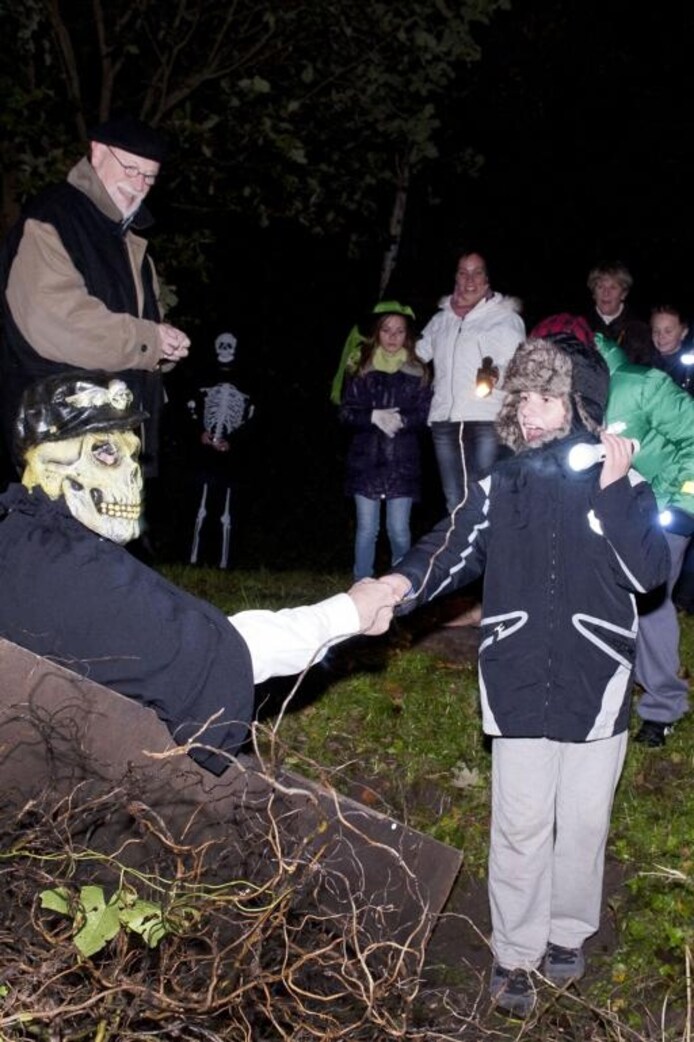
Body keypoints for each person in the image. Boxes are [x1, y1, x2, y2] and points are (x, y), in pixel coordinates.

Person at [377, 334, 670, 1016]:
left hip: (595, 682)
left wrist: (616, 491)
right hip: (515, 679)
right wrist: (398, 583)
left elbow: (652, 575)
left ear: (579, 403)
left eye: (547, 396)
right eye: (524, 398)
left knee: (584, 821)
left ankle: (568, 932)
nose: (532, 412)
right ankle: (515, 951)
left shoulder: (622, 483)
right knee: (520, 823)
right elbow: (447, 547)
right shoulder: (500, 484)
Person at [0, 371, 399, 776]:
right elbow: (212, 652)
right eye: (105, 453)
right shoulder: (73, 573)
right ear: (49, 466)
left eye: (132, 454)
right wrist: (347, 613)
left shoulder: (22, 538)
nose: (133, 474)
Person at [532, 314, 694, 747]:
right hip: (601, 509)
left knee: (649, 600)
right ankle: (596, 689)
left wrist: (674, 505)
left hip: (664, 508)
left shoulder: (641, 384)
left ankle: (663, 705)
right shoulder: (557, 394)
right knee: (592, 595)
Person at [0, 114, 191, 481]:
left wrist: (163, 342)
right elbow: (56, 322)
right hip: (59, 443)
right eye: (131, 169)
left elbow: (139, 330)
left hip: (117, 447)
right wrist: (148, 340)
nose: (139, 185)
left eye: (149, 177)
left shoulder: (130, 241)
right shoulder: (55, 218)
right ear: (98, 153)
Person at [415, 251, 525, 514]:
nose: (469, 279)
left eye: (476, 272)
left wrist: (495, 374)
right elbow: (415, 356)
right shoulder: (442, 319)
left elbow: (519, 365)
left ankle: (492, 554)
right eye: (463, 272)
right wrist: (374, 354)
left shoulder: (504, 317)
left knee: (485, 495)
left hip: (485, 418)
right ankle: (463, 554)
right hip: (444, 419)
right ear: (456, 277)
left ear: (487, 278)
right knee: (454, 499)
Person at [339, 306, 431, 579]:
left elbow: (427, 412)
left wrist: (403, 420)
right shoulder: (359, 368)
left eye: (399, 330)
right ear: (377, 332)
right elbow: (345, 412)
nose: (392, 336)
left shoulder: (420, 371)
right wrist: (372, 416)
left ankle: (400, 587)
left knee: (399, 530)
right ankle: (361, 585)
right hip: (365, 462)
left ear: (408, 335)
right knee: (367, 529)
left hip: (402, 464)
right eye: (386, 329)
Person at [184, 330, 255, 569]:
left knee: (227, 506)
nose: (225, 349)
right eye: (221, 345)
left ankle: (225, 562)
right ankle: (193, 558)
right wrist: (200, 433)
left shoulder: (246, 379)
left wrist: (233, 440)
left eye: (229, 345)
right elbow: (190, 408)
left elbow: (252, 416)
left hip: (232, 455)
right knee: (200, 505)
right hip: (204, 452)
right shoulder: (202, 376)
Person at [584, 261, 651, 366]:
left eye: (613, 287)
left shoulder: (640, 330)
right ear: (593, 293)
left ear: (623, 294)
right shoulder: (580, 326)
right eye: (600, 287)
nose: (606, 293)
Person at [649, 304, 694, 394]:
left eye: (668, 331)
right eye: (656, 331)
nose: (661, 336)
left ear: (683, 332)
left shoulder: (690, 368)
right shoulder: (642, 359)